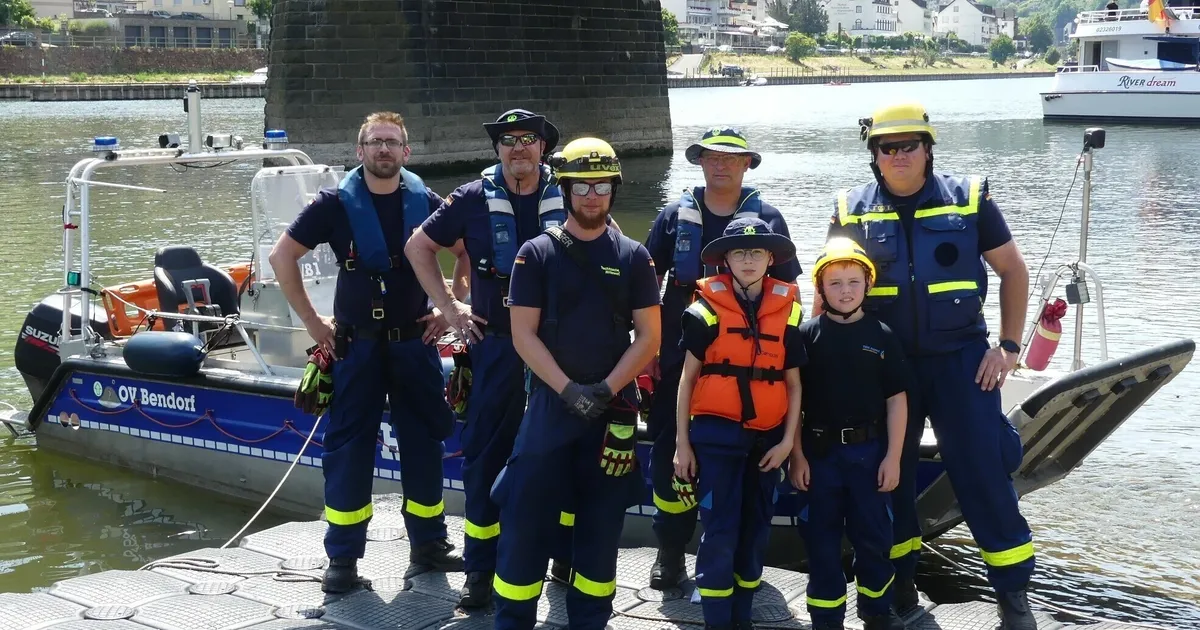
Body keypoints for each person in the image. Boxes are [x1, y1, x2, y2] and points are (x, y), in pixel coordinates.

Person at [822, 102, 1035, 629]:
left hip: (962, 362)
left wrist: (1008, 346)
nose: (898, 156)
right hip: (886, 367)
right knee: (889, 478)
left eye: (908, 145)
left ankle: (1013, 597)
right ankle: (901, 587)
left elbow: (1012, 271)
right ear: (874, 154)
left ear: (928, 148)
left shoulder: (969, 200)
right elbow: (829, 289)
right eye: (887, 147)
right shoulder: (850, 210)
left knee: (983, 472)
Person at [268, 111, 467, 593]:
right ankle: (342, 561)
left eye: (392, 143)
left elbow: (466, 250)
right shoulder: (334, 204)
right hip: (354, 348)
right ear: (359, 152)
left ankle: (429, 546)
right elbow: (282, 256)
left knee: (423, 444)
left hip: (413, 346)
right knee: (347, 449)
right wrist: (316, 326)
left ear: (406, 152)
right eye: (375, 142)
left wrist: (451, 308)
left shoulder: (428, 203)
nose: (384, 150)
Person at [405, 108, 584, 608]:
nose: (518, 148)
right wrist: (449, 307)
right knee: (485, 457)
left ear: (544, 149)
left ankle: (563, 560)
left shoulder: (574, 193)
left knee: (563, 453)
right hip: (496, 349)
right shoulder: (469, 199)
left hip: (559, 351)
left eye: (528, 139)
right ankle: (481, 572)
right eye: (508, 140)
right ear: (498, 150)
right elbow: (418, 248)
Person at [490, 137, 661, 630]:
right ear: (564, 189)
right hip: (550, 405)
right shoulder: (535, 255)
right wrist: (568, 390)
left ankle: (590, 621)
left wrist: (605, 390)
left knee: (601, 529)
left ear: (613, 190)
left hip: (613, 415)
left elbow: (649, 337)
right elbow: (523, 334)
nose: (592, 195)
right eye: (582, 185)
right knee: (525, 523)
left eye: (601, 185)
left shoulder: (635, 257)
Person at [644, 127, 802, 589]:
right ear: (699, 162)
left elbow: (792, 297)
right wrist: (647, 348)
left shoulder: (768, 219)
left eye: (731, 159)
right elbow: (645, 286)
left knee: (749, 464)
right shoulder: (675, 216)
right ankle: (671, 551)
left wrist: (788, 357)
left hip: (753, 370)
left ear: (747, 165)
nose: (721, 165)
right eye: (712, 157)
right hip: (680, 360)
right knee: (668, 456)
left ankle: (740, 559)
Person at [672, 218, 804, 630]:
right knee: (720, 530)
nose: (748, 260)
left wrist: (787, 445)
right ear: (725, 259)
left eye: (757, 252)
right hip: (716, 436)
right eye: (739, 252)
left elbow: (795, 386)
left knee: (755, 529)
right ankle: (716, 621)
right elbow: (687, 380)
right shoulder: (705, 309)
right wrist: (682, 445)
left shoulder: (791, 311)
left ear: (770, 259)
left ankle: (742, 619)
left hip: (768, 442)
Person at [793, 238, 908, 630]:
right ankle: (826, 618)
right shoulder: (806, 337)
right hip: (819, 455)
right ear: (821, 288)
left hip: (869, 454)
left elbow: (897, 401)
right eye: (836, 282)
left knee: (874, 538)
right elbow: (793, 402)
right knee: (821, 542)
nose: (845, 290)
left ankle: (876, 610)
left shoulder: (883, 336)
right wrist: (797, 455)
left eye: (853, 282)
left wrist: (893, 457)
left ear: (867, 285)